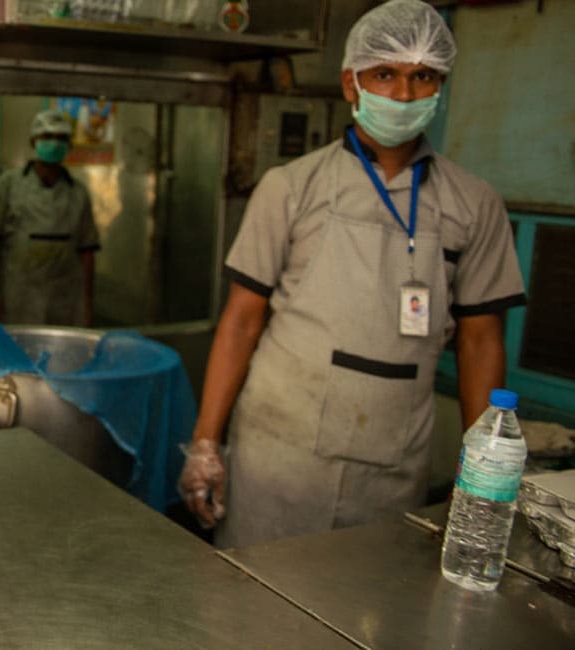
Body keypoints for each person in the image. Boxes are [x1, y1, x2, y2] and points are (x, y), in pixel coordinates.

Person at [178, 0, 526, 548]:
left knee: (364, 613)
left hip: (391, 465)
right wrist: (205, 444)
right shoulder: (292, 187)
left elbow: (482, 341)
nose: (404, 94)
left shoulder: (474, 205)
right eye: (384, 74)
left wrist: (483, 477)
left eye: (423, 77)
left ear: (441, 86)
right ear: (351, 84)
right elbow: (242, 322)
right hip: (279, 456)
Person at [0, 109, 100, 327]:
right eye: (47, 137)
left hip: (64, 296)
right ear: (33, 141)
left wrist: (87, 306)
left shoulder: (78, 192)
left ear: (69, 145)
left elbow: (87, 251)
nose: (54, 143)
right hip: (20, 293)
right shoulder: (9, 184)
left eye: (61, 138)